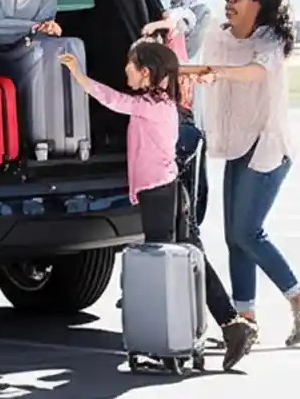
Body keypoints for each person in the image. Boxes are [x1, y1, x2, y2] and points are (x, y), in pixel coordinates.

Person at [60, 40, 258, 371]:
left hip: (158, 194)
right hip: (169, 190)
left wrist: (79, 76)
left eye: (131, 64)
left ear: (147, 72)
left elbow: (112, 99)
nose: (125, 69)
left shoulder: (149, 106)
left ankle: (171, 339)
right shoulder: (163, 103)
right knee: (191, 259)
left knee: (166, 266)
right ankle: (231, 323)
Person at [195, 0, 300, 347]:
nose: (230, 0)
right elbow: (198, 44)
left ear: (258, 3)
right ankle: (245, 318)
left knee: (247, 232)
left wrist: (214, 72)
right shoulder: (223, 36)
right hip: (240, 143)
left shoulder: (269, 41)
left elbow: (255, 73)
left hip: (269, 148)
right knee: (234, 237)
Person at [141, 0, 214, 224]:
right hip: (158, 104)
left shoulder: (199, 12)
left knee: (189, 188)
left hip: (185, 104)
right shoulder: (152, 1)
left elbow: (188, 52)